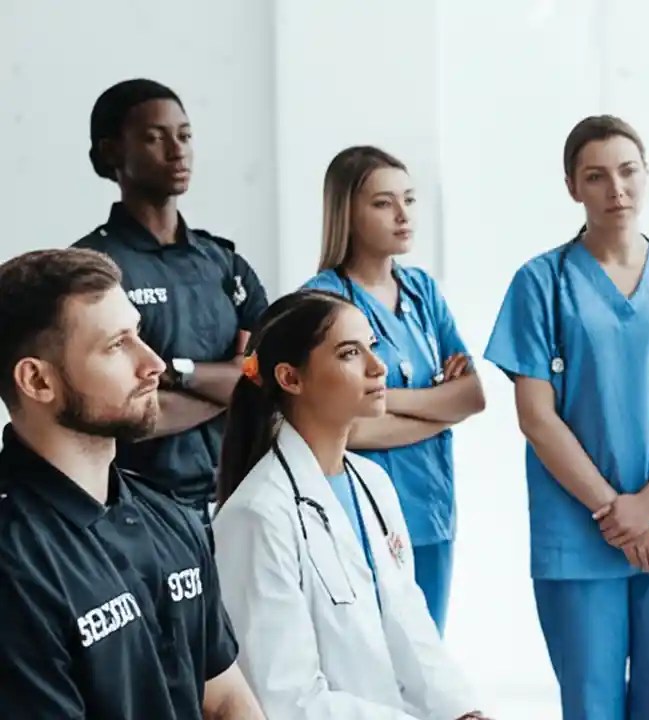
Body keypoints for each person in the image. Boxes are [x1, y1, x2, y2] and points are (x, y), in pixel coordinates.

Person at [483, 115, 649, 720]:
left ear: (647, 175)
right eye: (595, 176)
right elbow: (537, 418)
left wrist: (646, 506)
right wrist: (615, 512)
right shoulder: (540, 283)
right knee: (591, 704)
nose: (615, 189)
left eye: (627, 171)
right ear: (573, 186)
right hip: (577, 529)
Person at [0, 248, 263, 719]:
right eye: (116, 345)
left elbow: (224, 698)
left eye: (138, 333)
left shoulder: (172, 520)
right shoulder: (15, 563)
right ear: (38, 380)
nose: (155, 363)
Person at [211, 289, 489, 720]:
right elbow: (285, 698)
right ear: (291, 378)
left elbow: (411, 626)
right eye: (349, 353)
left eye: (372, 348)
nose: (378, 368)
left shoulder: (372, 484)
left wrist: (464, 714)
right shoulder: (257, 515)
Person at [301, 146, 485, 634]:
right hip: (360, 516)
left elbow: (473, 397)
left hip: (431, 509)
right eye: (383, 203)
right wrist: (437, 407)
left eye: (409, 199)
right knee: (374, 673)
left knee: (428, 663)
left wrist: (381, 399)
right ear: (348, 212)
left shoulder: (424, 291)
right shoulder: (323, 300)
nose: (403, 216)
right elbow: (349, 427)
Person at [73, 78, 270, 522]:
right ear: (111, 152)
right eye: (153, 137)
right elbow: (126, 415)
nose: (177, 150)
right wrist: (232, 384)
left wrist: (178, 375)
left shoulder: (223, 262)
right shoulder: (91, 270)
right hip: (140, 510)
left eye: (184, 135)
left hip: (237, 500)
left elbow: (268, 381)